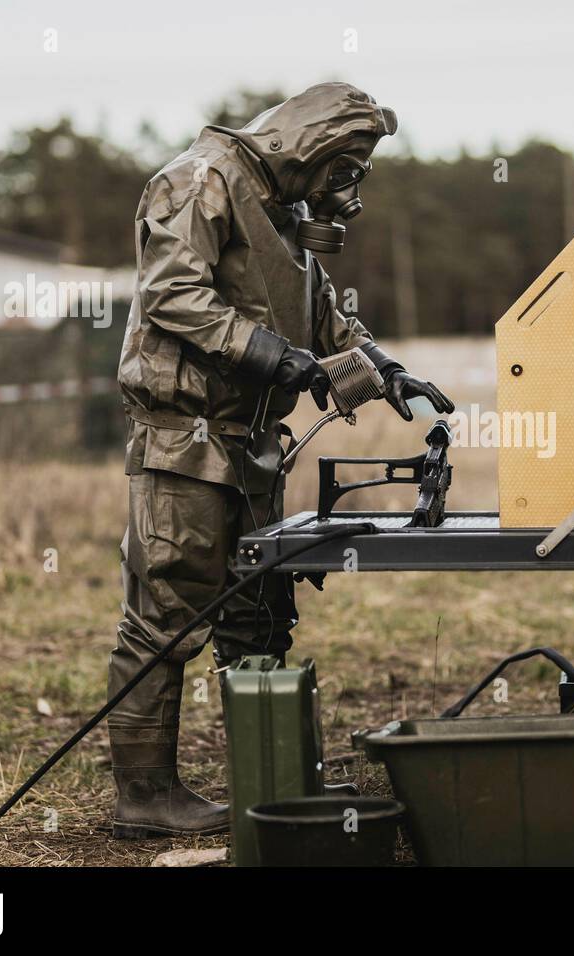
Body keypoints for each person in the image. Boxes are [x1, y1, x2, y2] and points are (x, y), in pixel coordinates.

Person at [108, 82, 453, 838]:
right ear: (312, 146)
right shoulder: (200, 180)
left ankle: (270, 779)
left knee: (257, 613)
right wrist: (275, 358)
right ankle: (144, 795)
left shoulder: (284, 220)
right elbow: (172, 294)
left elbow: (328, 321)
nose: (349, 187)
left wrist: (385, 371)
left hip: (254, 442)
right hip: (187, 435)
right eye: (347, 166)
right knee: (167, 612)